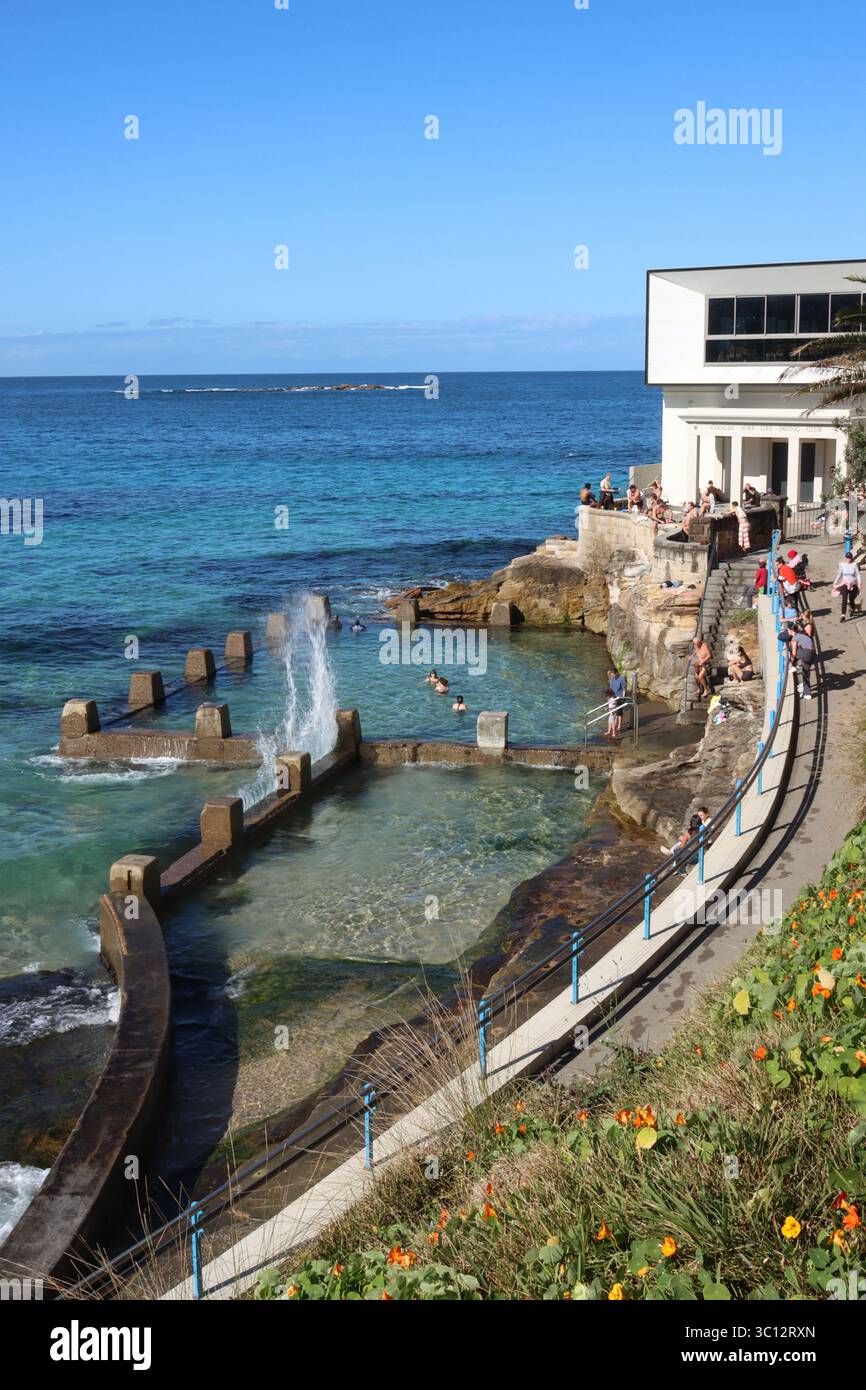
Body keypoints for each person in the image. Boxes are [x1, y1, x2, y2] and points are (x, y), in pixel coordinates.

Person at [833, 554, 861, 621]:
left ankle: (852, 608)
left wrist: (859, 585)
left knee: (851, 599)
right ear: (846, 558)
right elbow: (839, 574)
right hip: (845, 584)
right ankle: (843, 616)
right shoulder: (842, 564)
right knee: (844, 599)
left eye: (850, 558)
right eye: (848, 557)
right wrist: (835, 583)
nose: (849, 559)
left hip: (853, 584)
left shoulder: (854, 564)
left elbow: (858, 575)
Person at [692, 633, 713, 699]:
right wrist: (691, 656)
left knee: (700, 677)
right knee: (696, 677)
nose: (695, 645)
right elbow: (695, 651)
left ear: (699, 642)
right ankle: (699, 689)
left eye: (696, 643)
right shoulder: (695, 646)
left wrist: (703, 661)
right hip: (699, 663)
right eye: (694, 643)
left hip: (706, 664)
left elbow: (710, 655)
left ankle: (706, 690)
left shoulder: (704, 646)